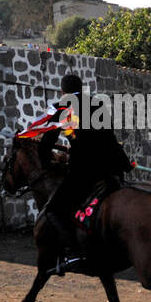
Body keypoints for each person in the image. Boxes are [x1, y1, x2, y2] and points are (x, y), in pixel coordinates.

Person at [43, 74, 132, 275]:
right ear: (81, 89)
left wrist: (52, 158)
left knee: (53, 211)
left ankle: (73, 253)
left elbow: (48, 143)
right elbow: (104, 139)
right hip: (114, 167)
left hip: (86, 171)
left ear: (62, 92)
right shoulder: (98, 104)